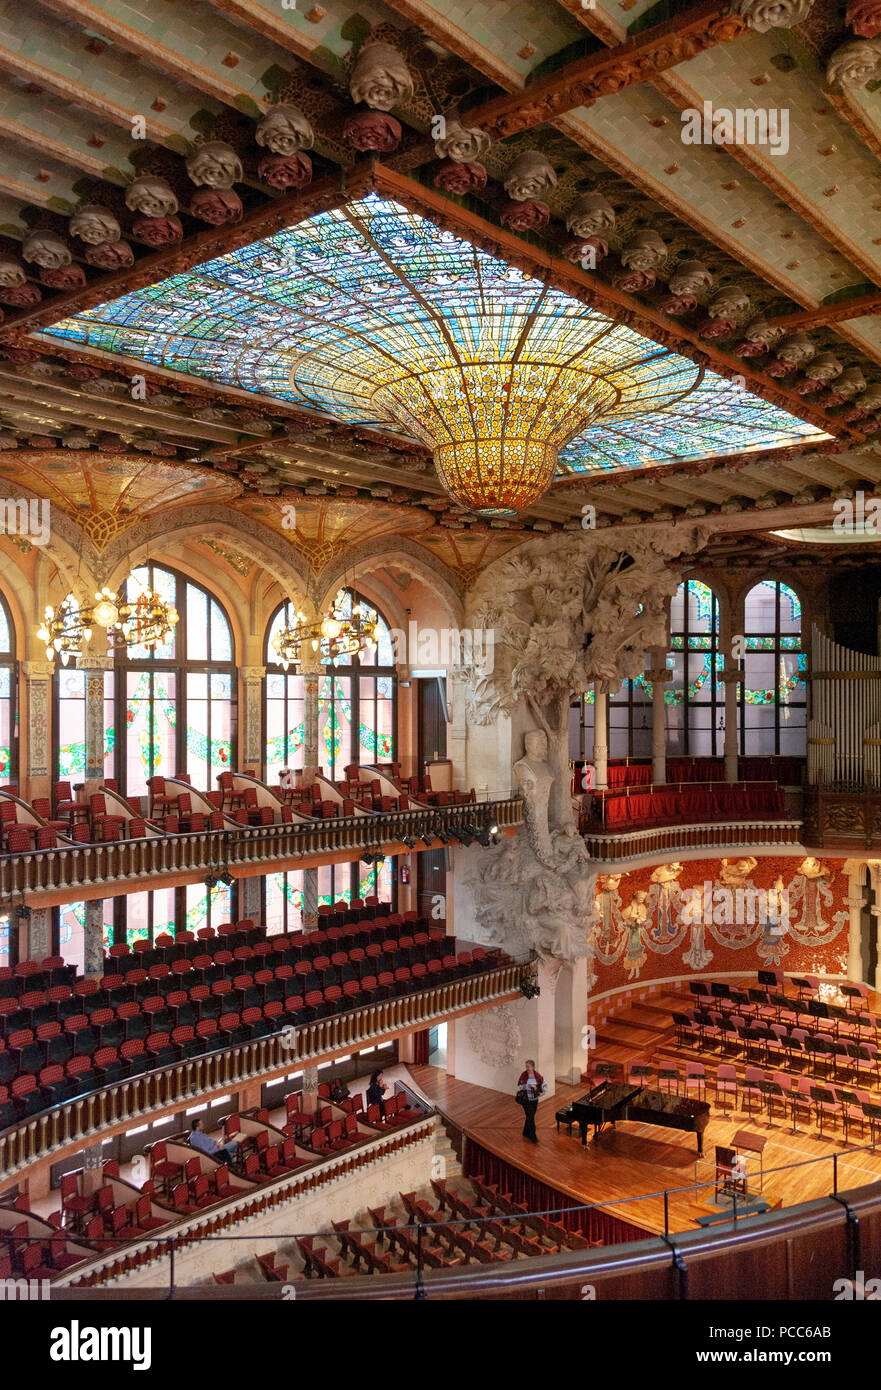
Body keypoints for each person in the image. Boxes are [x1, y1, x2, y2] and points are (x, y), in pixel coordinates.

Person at [516, 1060, 546, 1144]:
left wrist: (542, 1092)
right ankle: (533, 1137)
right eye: (526, 1067)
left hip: (534, 1100)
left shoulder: (537, 1076)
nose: (527, 1068)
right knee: (531, 1117)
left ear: (533, 1067)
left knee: (530, 1116)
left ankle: (525, 1132)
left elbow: (544, 1084)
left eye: (528, 1067)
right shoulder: (524, 1075)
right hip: (526, 1100)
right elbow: (521, 1086)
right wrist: (529, 1086)